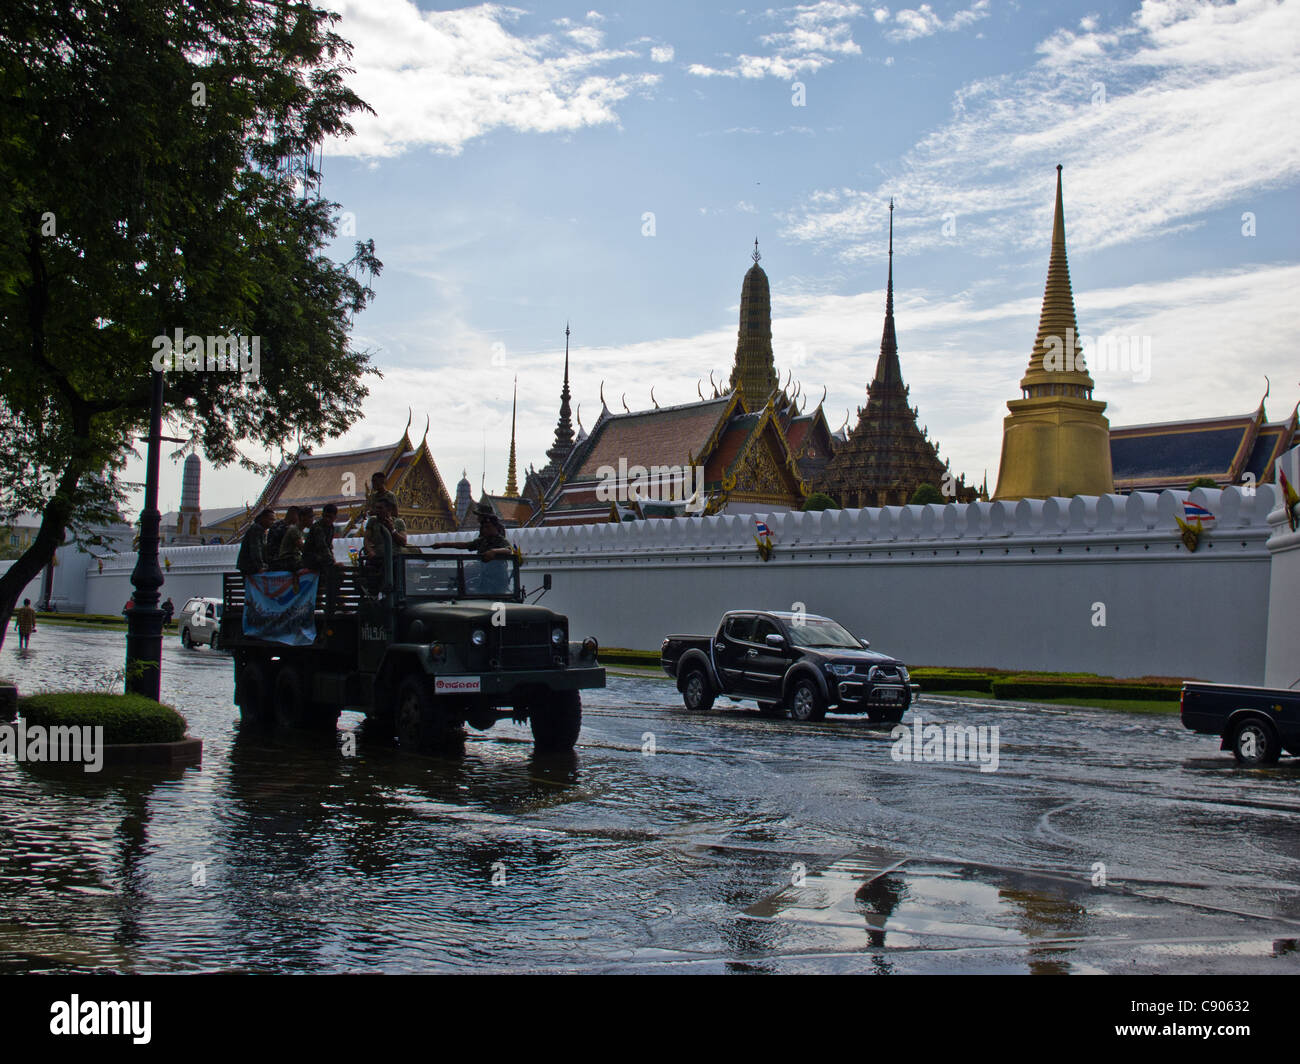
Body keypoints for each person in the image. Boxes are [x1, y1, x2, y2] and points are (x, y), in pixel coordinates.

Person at [450, 504, 513, 594]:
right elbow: (468, 545)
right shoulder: (483, 536)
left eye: (479, 516)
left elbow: (508, 550)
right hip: (483, 574)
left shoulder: (496, 533)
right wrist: (442, 545)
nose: (477, 518)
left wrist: (493, 551)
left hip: (496, 576)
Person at [304, 503, 344, 613]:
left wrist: (333, 560)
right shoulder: (318, 527)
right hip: (312, 558)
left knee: (337, 572)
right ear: (322, 515)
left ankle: (336, 601)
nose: (327, 519)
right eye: (325, 516)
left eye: (330, 517)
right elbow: (322, 547)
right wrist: (332, 562)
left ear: (335, 518)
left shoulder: (331, 527)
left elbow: (329, 547)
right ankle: (338, 602)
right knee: (332, 572)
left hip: (322, 558)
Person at [237, 509, 275, 575]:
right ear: (263, 518)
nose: (273, 522)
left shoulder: (262, 530)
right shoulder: (256, 529)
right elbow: (256, 549)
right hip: (249, 567)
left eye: (274, 520)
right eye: (271, 519)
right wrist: (260, 567)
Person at [275, 505, 310, 571]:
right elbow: (303, 549)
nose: (312, 520)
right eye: (310, 517)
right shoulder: (293, 529)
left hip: (292, 559)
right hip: (285, 560)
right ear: (302, 518)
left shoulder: (298, 529)